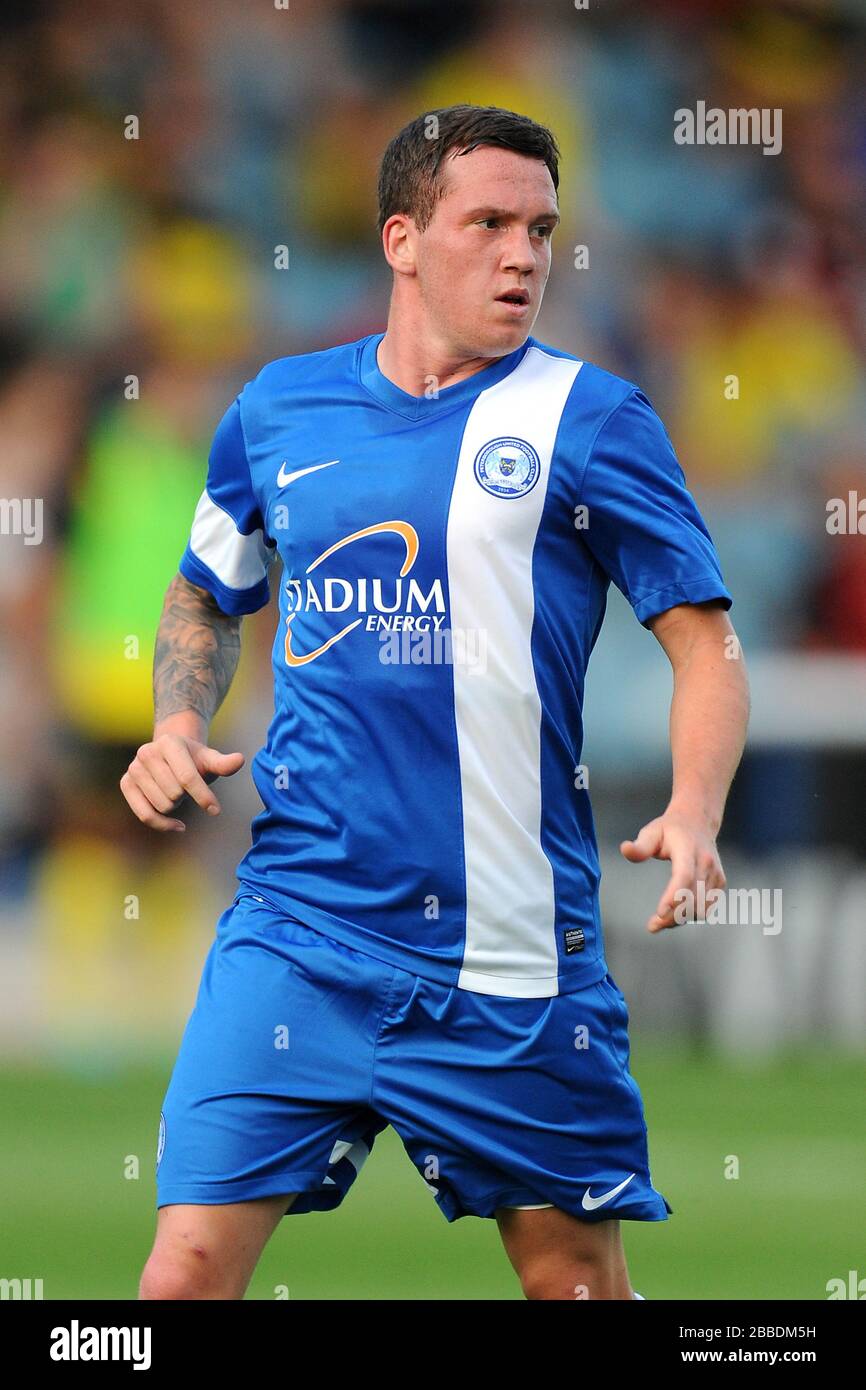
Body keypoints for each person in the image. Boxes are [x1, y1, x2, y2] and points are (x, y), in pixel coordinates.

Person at [122, 104, 750, 1301]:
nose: (522, 255)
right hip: (298, 930)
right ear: (401, 238)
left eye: (541, 229)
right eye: (488, 224)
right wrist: (175, 727)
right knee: (181, 1276)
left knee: (573, 1283)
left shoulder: (593, 419)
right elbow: (208, 593)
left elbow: (706, 646)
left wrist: (694, 806)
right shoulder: (276, 410)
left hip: (510, 957)